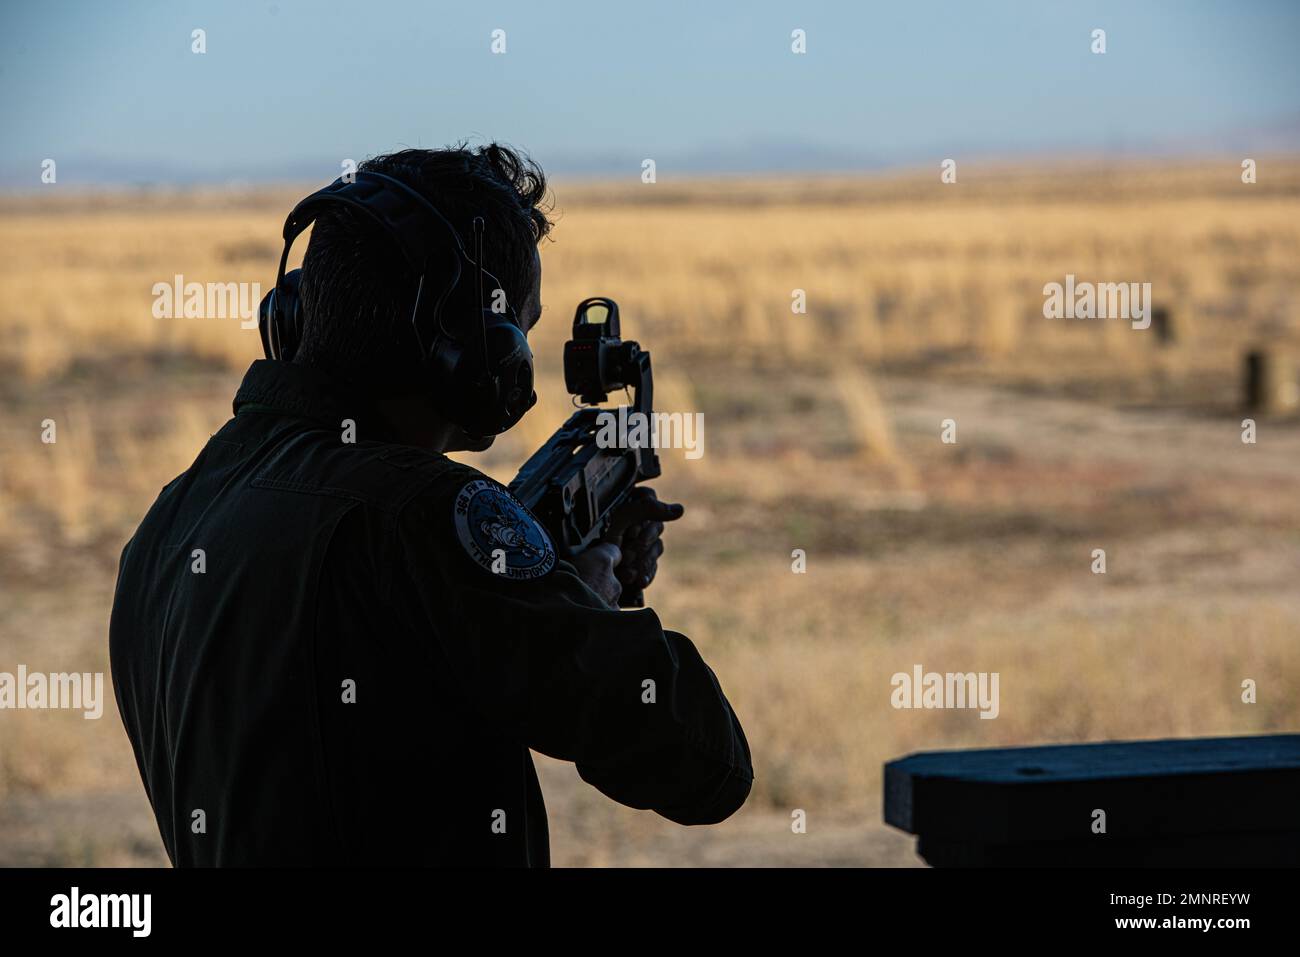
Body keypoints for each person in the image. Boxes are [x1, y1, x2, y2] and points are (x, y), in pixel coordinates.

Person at [108, 144, 752, 866]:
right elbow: (705, 762)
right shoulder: (420, 517)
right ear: (469, 349)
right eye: (517, 333)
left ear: (295, 313)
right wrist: (589, 601)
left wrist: (540, 573)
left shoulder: (170, 521)